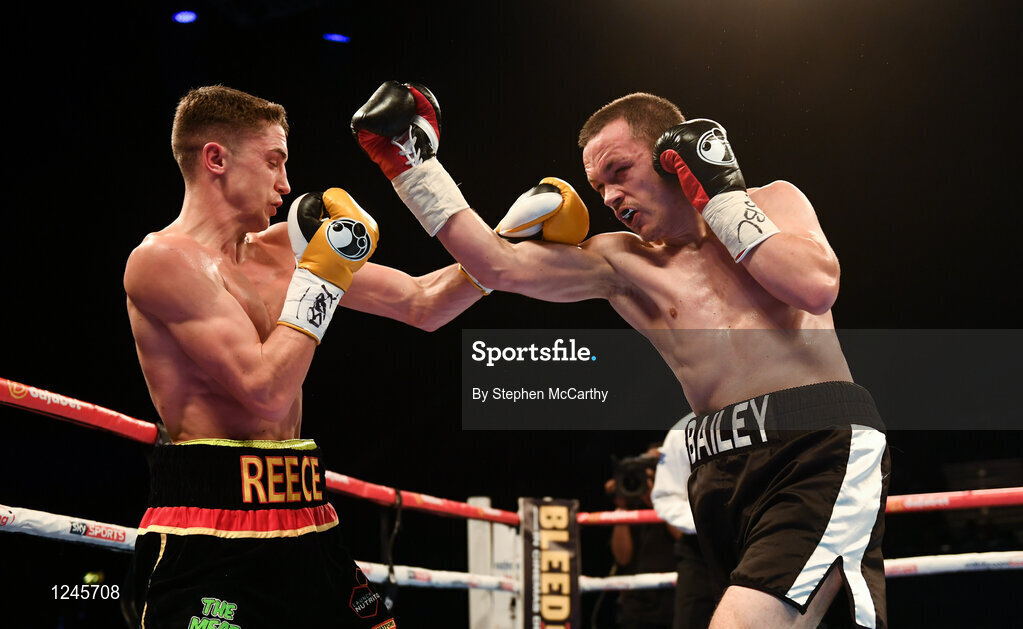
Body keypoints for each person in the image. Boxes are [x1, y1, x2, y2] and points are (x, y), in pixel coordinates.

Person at [350, 81, 890, 629]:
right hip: (717, 470)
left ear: (670, 155)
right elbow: (495, 264)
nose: (609, 196)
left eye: (620, 171)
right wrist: (412, 168)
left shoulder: (773, 201)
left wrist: (721, 195)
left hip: (815, 447)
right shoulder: (623, 263)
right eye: (598, 185)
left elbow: (814, 287)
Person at [123, 85, 485, 628]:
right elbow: (265, 391)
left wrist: (512, 242)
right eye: (273, 162)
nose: (286, 184)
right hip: (211, 536)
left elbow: (424, 302)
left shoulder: (282, 252)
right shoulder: (161, 261)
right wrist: (322, 278)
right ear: (216, 159)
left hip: (307, 516)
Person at [650, 415, 718, 629]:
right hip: (699, 550)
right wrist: (707, 521)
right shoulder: (682, 430)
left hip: (758, 540)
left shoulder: (765, 416)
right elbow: (666, 496)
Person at [604, 445, 680, 629]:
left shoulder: (680, 500)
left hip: (673, 604)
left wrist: (658, 500)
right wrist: (621, 506)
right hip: (635, 606)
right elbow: (622, 557)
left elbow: (682, 536)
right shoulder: (633, 502)